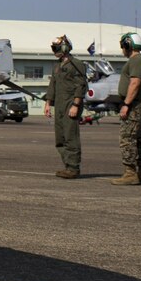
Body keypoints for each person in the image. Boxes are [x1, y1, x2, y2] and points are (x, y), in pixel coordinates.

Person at [110, 31, 141, 186]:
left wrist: (126, 104)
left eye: (123, 46)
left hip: (134, 105)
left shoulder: (136, 61)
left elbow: (135, 83)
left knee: (127, 138)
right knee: (140, 139)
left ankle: (130, 174)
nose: (122, 49)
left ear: (128, 45)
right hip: (140, 104)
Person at [45, 35, 84, 178]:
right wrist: (48, 103)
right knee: (60, 139)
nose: (54, 51)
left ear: (65, 48)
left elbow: (81, 86)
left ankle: (73, 168)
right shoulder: (57, 66)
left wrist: (75, 105)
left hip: (70, 104)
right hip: (59, 105)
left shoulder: (76, 64)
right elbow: (52, 85)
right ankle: (68, 165)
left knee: (70, 137)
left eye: (56, 48)